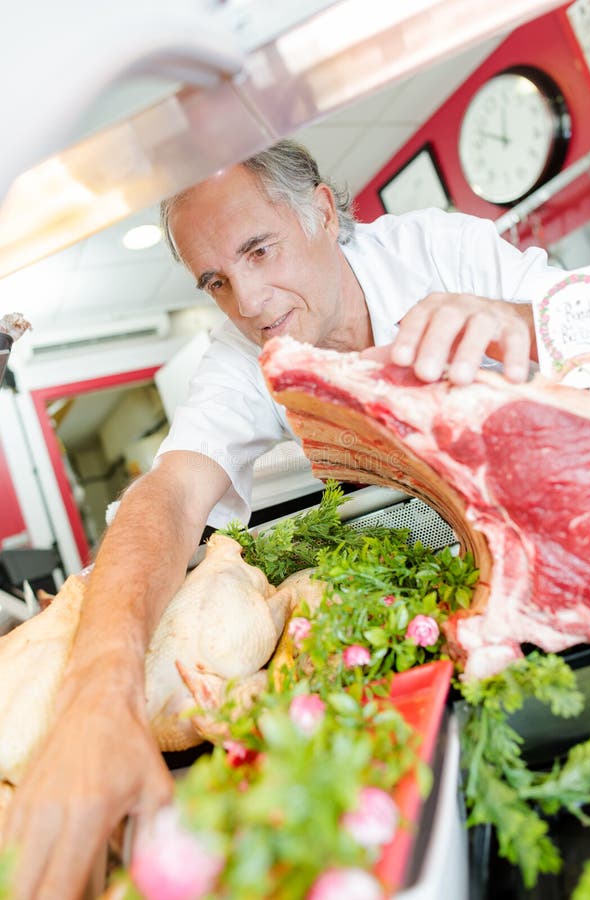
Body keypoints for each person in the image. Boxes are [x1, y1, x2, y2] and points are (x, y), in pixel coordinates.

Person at [3, 139, 560, 899]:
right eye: (217, 281)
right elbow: (168, 495)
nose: (250, 302)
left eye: (259, 250)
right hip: (470, 614)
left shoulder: (440, 248)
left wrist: (520, 321)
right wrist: (100, 694)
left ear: (323, 212)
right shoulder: (244, 355)